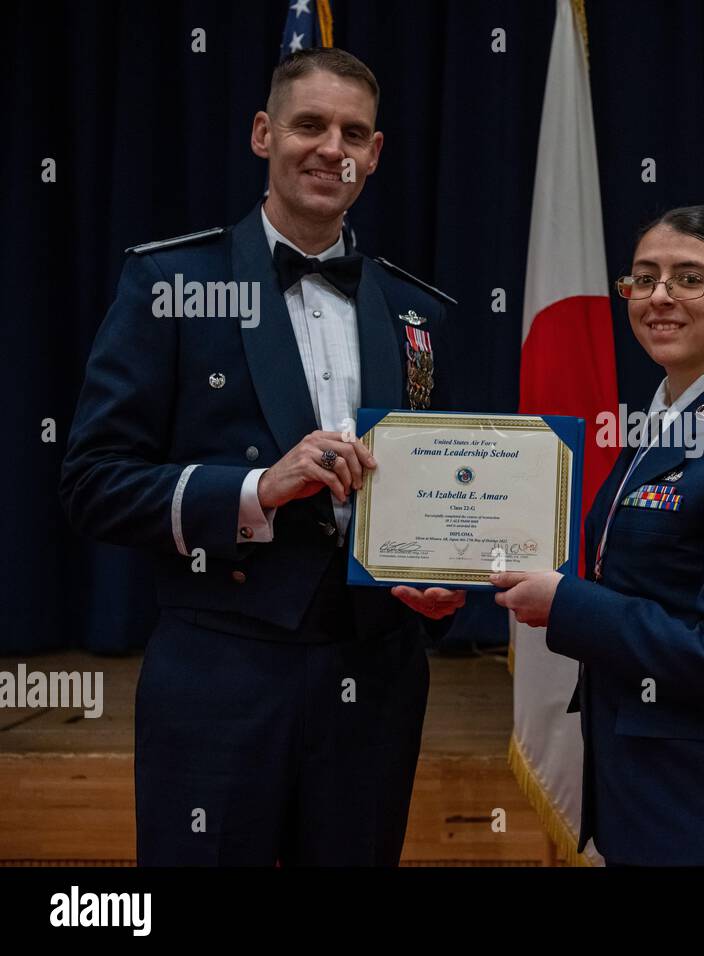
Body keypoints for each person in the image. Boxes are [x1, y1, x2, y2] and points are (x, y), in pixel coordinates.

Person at [60, 48, 465, 865]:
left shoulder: (417, 309)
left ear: (376, 153)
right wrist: (254, 489)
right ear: (262, 134)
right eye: (309, 124)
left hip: (376, 676)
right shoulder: (170, 281)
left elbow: (431, 487)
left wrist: (443, 568)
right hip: (220, 674)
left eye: (354, 132)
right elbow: (93, 483)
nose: (331, 148)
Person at [492, 205, 704, 866]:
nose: (660, 297)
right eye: (643, 279)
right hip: (645, 807)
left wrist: (568, 605)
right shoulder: (660, 425)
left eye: (691, 279)